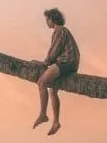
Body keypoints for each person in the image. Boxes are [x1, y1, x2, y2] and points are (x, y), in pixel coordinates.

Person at [33, 8, 80, 136]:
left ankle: (43, 114)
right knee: (52, 90)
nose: (46, 22)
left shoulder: (59, 30)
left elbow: (54, 51)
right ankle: (56, 122)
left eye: (47, 19)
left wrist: (44, 63)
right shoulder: (63, 31)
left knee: (42, 82)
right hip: (71, 63)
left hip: (66, 62)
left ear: (52, 19)